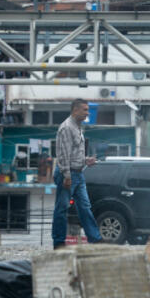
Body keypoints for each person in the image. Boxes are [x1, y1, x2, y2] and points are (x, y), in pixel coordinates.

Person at [51, 98, 103, 248]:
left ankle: (95, 238)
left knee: (85, 207)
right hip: (68, 174)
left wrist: (86, 160)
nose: (88, 113)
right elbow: (63, 154)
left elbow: (74, 154)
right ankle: (59, 242)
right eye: (85, 110)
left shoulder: (77, 127)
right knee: (62, 208)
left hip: (78, 174)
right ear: (75, 110)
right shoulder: (67, 127)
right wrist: (66, 176)